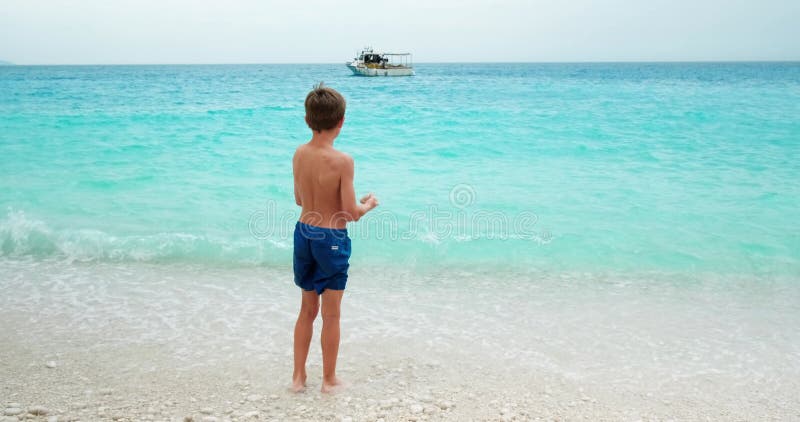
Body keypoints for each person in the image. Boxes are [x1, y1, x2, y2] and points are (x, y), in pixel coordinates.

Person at [291, 83, 379, 393]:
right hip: (331, 238)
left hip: (303, 232)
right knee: (331, 313)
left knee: (306, 310)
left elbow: (299, 199)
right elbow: (350, 212)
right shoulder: (343, 161)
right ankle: (328, 380)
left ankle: (298, 378)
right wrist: (368, 205)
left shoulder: (299, 154)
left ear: (307, 120)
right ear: (341, 121)